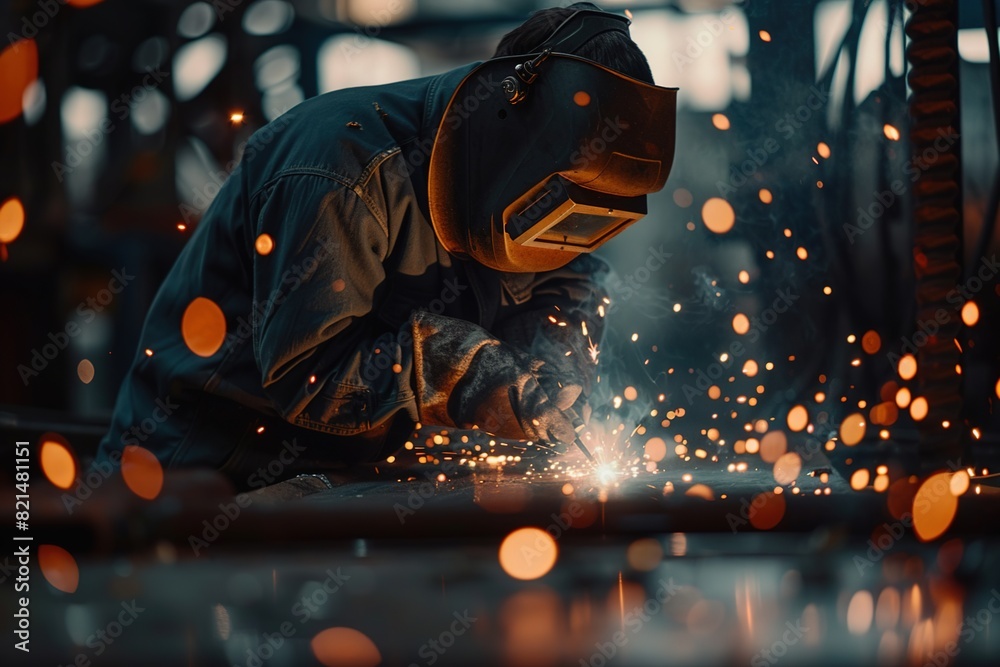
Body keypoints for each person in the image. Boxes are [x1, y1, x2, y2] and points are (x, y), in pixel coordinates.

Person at [95, 2, 676, 488]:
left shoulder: (534, 189)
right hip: (210, 476)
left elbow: (568, 279)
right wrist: (457, 368)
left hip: (354, 474)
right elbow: (309, 377)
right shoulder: (340, 168)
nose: (563, 226)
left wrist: (552, 361)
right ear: (503, 117)